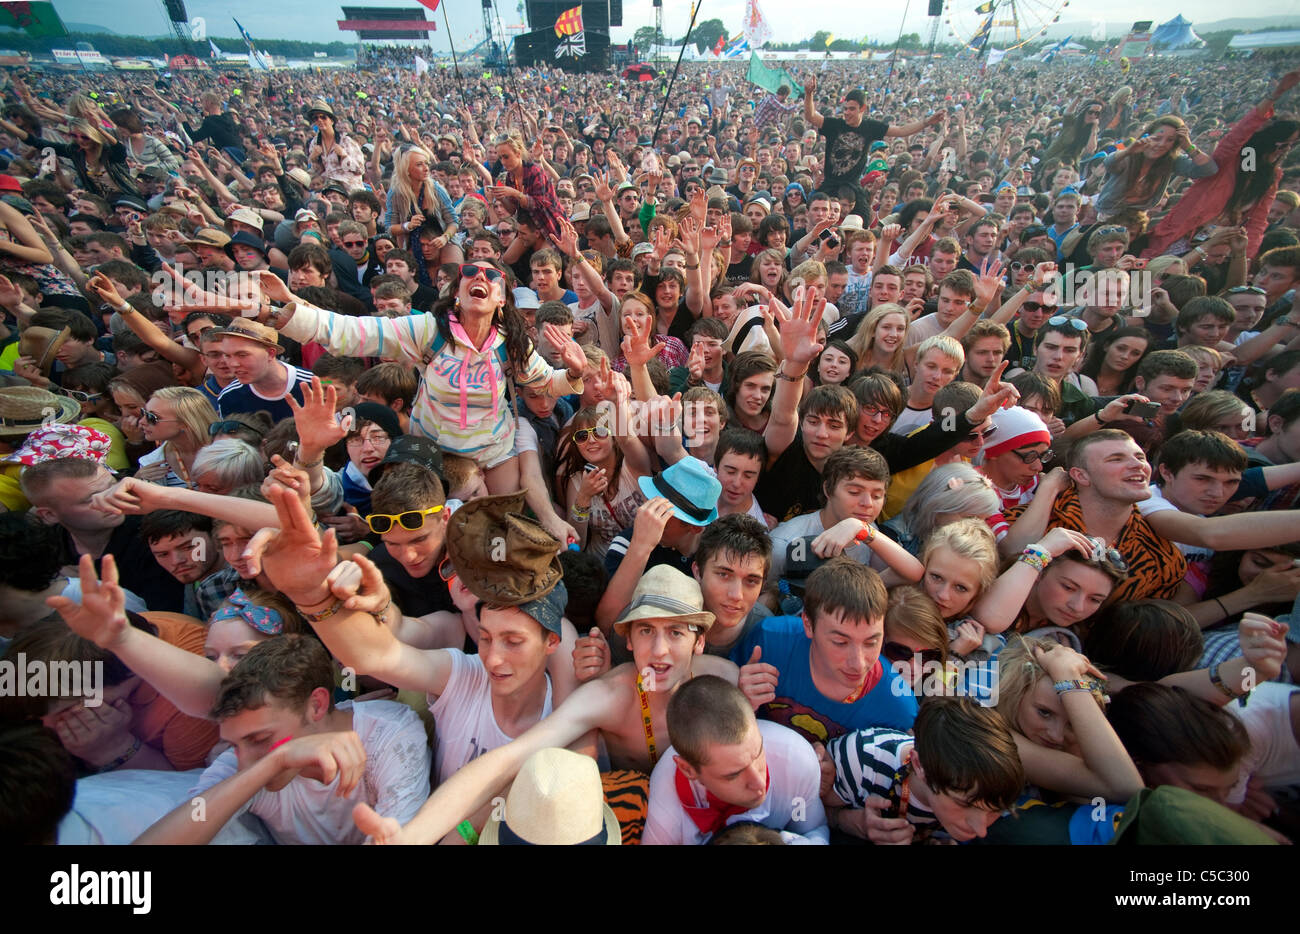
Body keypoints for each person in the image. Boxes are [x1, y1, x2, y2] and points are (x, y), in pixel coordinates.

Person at [135, 635, 431, 845]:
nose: (245, 760)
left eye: (261, 738)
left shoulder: (389, 734)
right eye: (235, 744)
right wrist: (275, 760)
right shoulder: (247, 762)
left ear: (316, 705)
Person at [643, 676, 828, 845]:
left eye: (758, 754)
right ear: (688, 770)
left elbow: (811, 829)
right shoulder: (666, 808)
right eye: (733, 774)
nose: (759, 783)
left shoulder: (796, 763)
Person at [825, 697, 1024, 844]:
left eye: (995, 810)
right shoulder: (862, 762)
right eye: (964, 804)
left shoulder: (994, 783)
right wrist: (848, 821)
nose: (981, 830)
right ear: (919, 766)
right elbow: (801, 811)